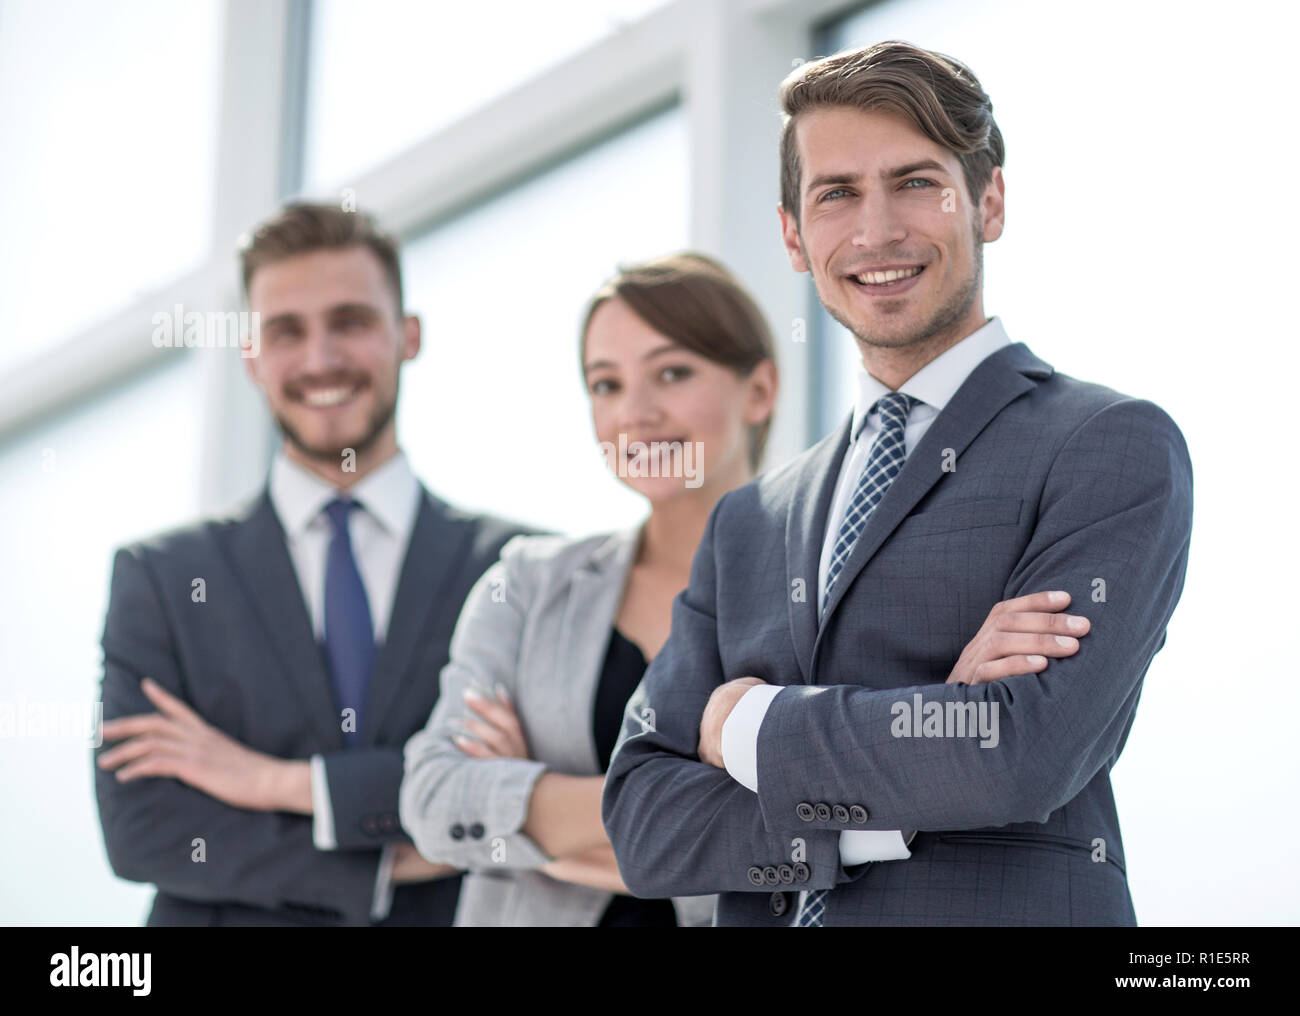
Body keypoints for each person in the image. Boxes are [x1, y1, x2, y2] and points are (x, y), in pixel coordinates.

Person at [602, 41, 1193, 926]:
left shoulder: (1106, 445)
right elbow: (643, 824)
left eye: (916, 182)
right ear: (794, 236)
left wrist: (747, 728)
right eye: (836, 194)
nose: (876, 232)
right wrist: (908, 767)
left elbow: (1018, 753)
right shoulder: (749, 522)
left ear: (988, 201)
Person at [93, 202, 537, 926]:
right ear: (250, 355)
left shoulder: (519, 568)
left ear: (408, 335)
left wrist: (269, 782)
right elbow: (143, 828)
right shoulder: (164, 577)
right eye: (286, 331)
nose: (321, 359)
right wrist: (385, 867)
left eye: (352, 322)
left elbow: (525, 785)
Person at [399, 253, 778, 925]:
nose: (635, 412)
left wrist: (534, 829)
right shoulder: (527, 583)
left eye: (672, 372)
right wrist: (695, 815)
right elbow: (435, 800)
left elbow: (812, 835)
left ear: (759, 390)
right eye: (606, 385)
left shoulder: (818, 597)